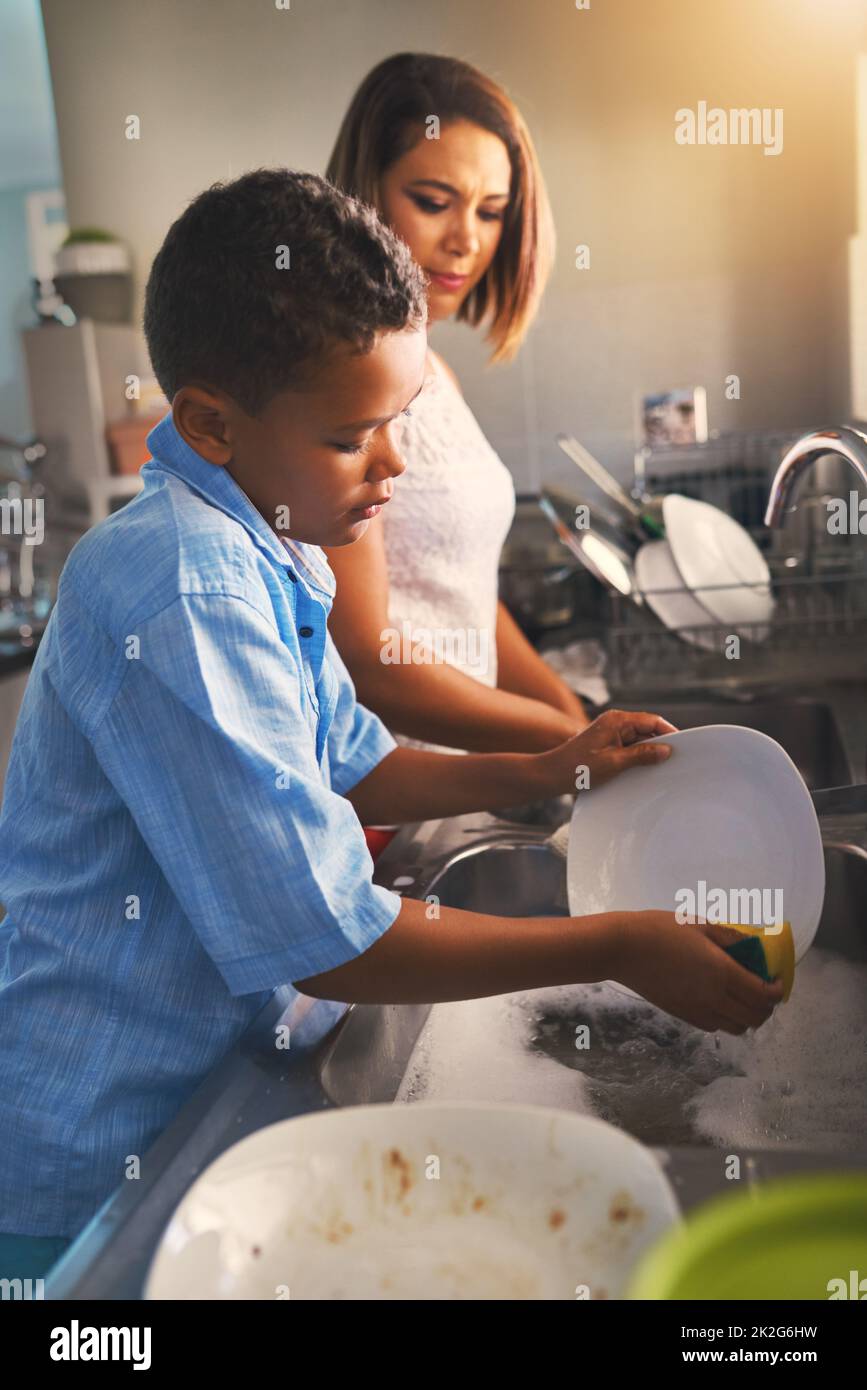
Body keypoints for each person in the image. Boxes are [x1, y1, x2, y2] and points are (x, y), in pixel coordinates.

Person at [0, 170, 782, 1279]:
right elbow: (334, 938)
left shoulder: (265, 546)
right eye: (351, 435)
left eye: (397, 423)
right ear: (212, 423)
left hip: (203, 1088)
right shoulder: (185, 591)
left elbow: (352, 763)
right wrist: (618, 941)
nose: (394, 466)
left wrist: (555, 761)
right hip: (103, 1147)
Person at [324, 53, 591, 757]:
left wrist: (571, 716)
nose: (466, 240)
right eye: (434, 202)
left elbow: (468, 602)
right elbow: (368, 658)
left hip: (467, 777)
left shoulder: (436, 372)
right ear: (366, 197)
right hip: (390, 795)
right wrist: (561, 738)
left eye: (492, 211)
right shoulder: (339, 380)